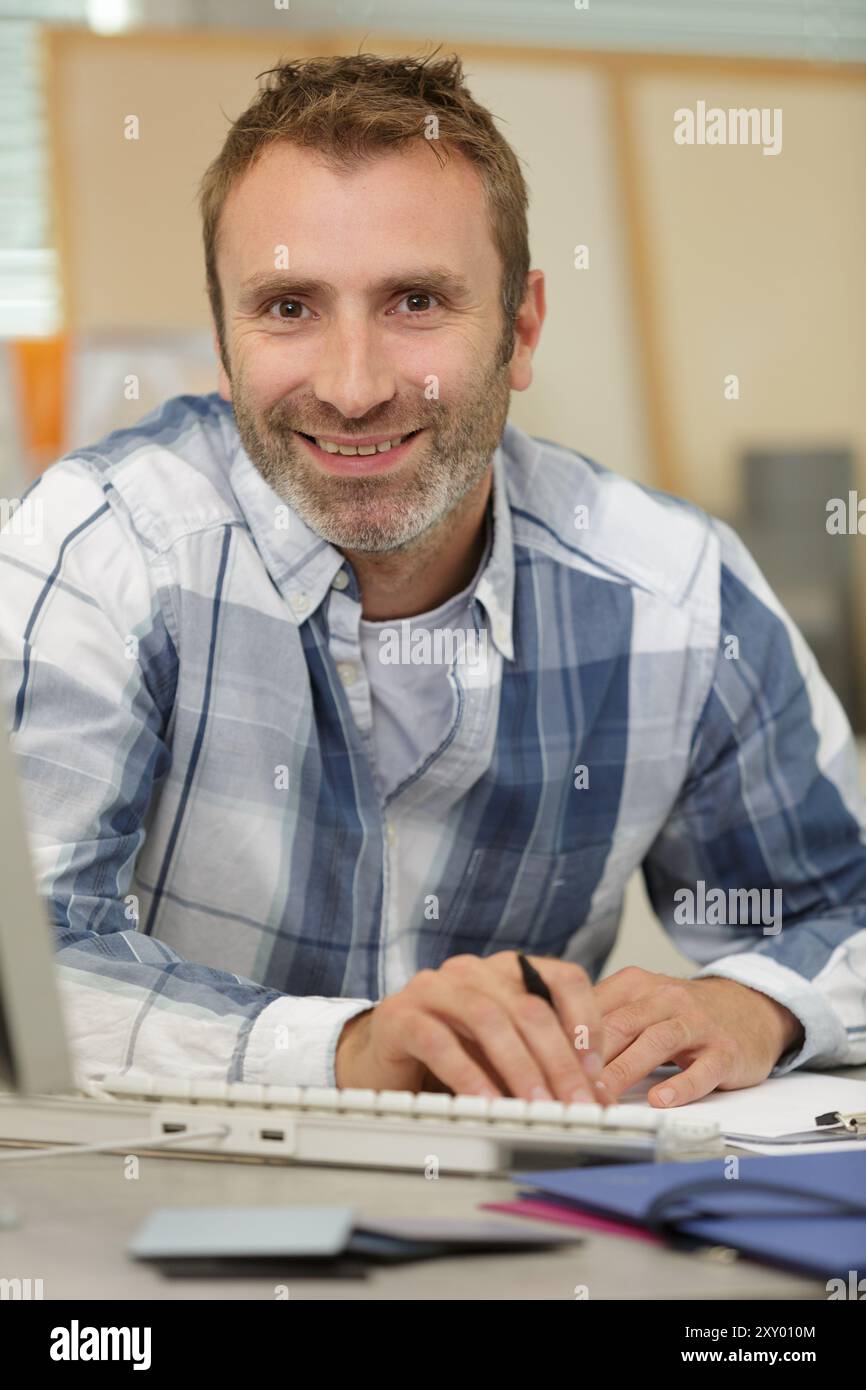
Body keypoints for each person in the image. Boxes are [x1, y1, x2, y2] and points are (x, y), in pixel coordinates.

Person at [1, 52, 864, 1112]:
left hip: (529, 1235)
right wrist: (349, 1053)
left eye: (415, 300)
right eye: (287, 306)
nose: (353, 386)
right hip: (142, 1225)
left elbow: (839, 905)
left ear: (521, 327)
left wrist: (751, 1004)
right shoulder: (96, 551)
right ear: (222, 341)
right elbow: (26, 971)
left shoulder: (674, 591)